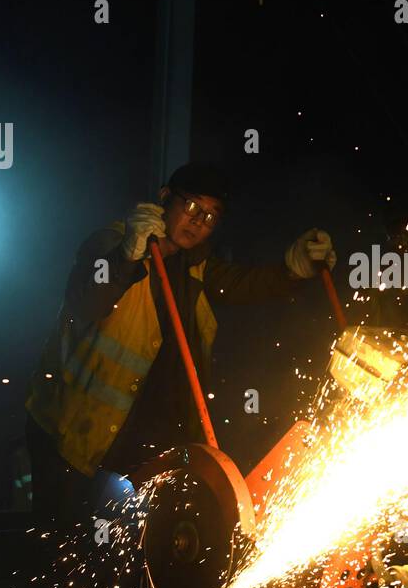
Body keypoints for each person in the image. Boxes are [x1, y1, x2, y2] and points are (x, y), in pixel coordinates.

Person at [25, 162, 336, 526]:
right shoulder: (110, 244)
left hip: (142, 442)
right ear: (163, 199)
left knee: (136, 552)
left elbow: (245, 285)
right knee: (60, 539)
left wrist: (291, 271)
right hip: (72, 431)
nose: (198, 222)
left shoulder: (195, 267)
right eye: (191, 207)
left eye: (210, 216)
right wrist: (127, 256)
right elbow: (89, 301)